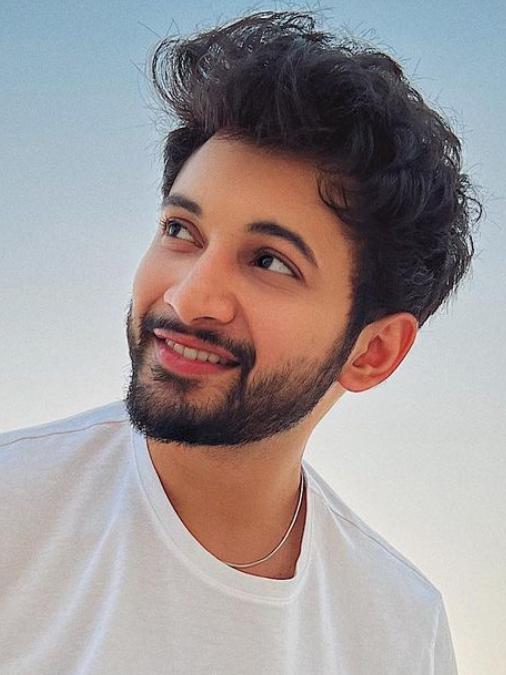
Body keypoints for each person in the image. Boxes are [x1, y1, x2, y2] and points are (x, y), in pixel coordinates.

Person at [0, 10, 481, 675]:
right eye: (181, 230)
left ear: (372, 352)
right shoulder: (14, 509)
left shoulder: (400, 630)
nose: (189, 296)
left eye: (270, 261)